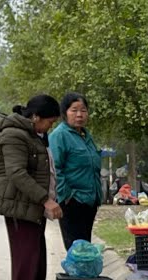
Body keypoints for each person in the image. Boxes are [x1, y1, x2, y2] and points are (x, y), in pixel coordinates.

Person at [0, 95, 63, 280]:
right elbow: (17, 173)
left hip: (32, 204)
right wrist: (45, 199)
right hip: (18, 203)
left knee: (36, 254)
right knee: (25, 254)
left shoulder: (34, 135)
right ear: (35, 116)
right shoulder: (13, 135)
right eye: (49, 121)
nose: (50, 126)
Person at [49, 92, 103, 250]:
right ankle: (75, 274)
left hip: (90, 201)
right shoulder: (59, 136)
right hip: (72, 201)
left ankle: (83, 274)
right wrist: (66, 196)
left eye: (83, 110)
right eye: (74, 110)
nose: (79, 114)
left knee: (85, 245)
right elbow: (55, 168)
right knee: (76, 249)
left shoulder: (86, 135)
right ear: (65, 113)